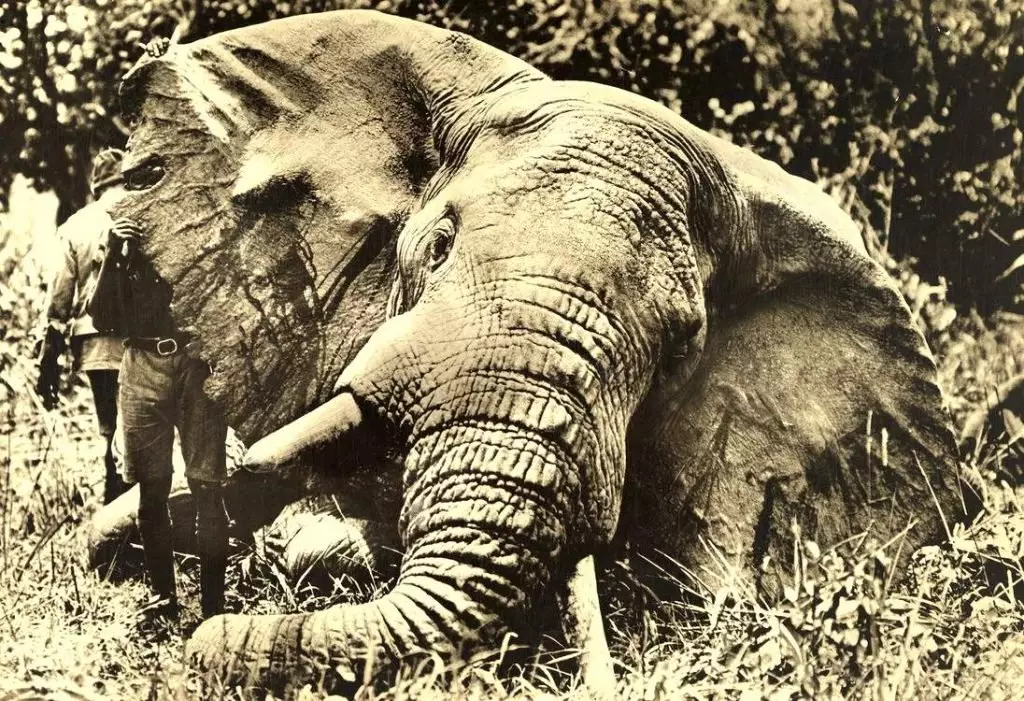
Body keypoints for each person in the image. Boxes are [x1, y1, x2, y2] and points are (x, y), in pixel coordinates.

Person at [89, 212, 229, 622]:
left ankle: (214, 611)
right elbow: (100, 316)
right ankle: (163, 602)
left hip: (194, 360)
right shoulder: (127, 234)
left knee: (207, 485)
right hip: (141, 364)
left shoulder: (201, 217)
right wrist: (115, 250)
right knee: (153, 487)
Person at [36, 149, 130, 505]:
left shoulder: (75, 225)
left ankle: (113, 509)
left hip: (94, 343)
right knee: (143, 430)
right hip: (144, 340)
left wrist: (50, 354)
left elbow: (59, 298)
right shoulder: (144, 212)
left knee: (110, 427)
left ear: (96, 186)